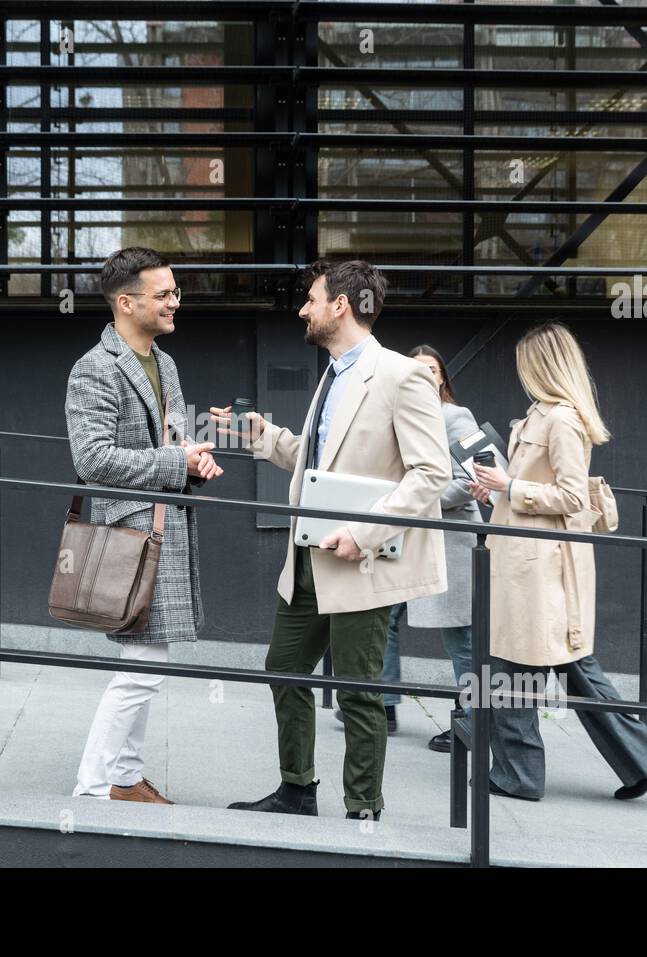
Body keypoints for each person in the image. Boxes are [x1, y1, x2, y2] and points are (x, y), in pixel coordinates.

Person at [212, 259, 451, 820]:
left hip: (360, 562)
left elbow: (431, 473)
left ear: (341, 305)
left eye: (312, 299)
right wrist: (264, 437)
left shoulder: (402, 375)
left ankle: (362, 810)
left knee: (358, 692)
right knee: (284, 669)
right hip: (306, 559)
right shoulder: (334, 373)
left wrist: (363, 534)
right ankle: (297, 790)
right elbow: (320, 462)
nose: (304, 308)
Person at [469, 322, 647, 802]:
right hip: (530, 563)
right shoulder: (543, 417)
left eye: (526, 363)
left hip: (538, 569)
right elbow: (533, 490)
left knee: (513, 668)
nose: (521, 373)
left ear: (542, 365)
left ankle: (519, 776)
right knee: (565, 666)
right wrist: (496, 489)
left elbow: (569, 497)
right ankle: (643, 761)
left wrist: (510, 487)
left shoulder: (560, 420)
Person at [67, 246, 223, 805]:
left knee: (146, 662)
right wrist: (173, 463)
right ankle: (93, 787)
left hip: (166, 529)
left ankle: (126, 777)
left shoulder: (166, 363)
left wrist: (195, 461)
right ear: (125, 302)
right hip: (132, 535)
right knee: (143, 667)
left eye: (176, 292)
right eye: (164, 294)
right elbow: (92, 459)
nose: (175, 302)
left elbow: (172, 444)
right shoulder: (94, 369)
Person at [333, 344, 483, 751]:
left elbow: (478, 477)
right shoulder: (398, 414)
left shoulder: (457, 417)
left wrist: (414, 497)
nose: (422, 376)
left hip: (450, 542)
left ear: (442, 378)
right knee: (387, 619)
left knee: (462, 639)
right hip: (401, 540)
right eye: (414, 370)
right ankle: (384, 704)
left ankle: (473, 723)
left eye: (431, 370)